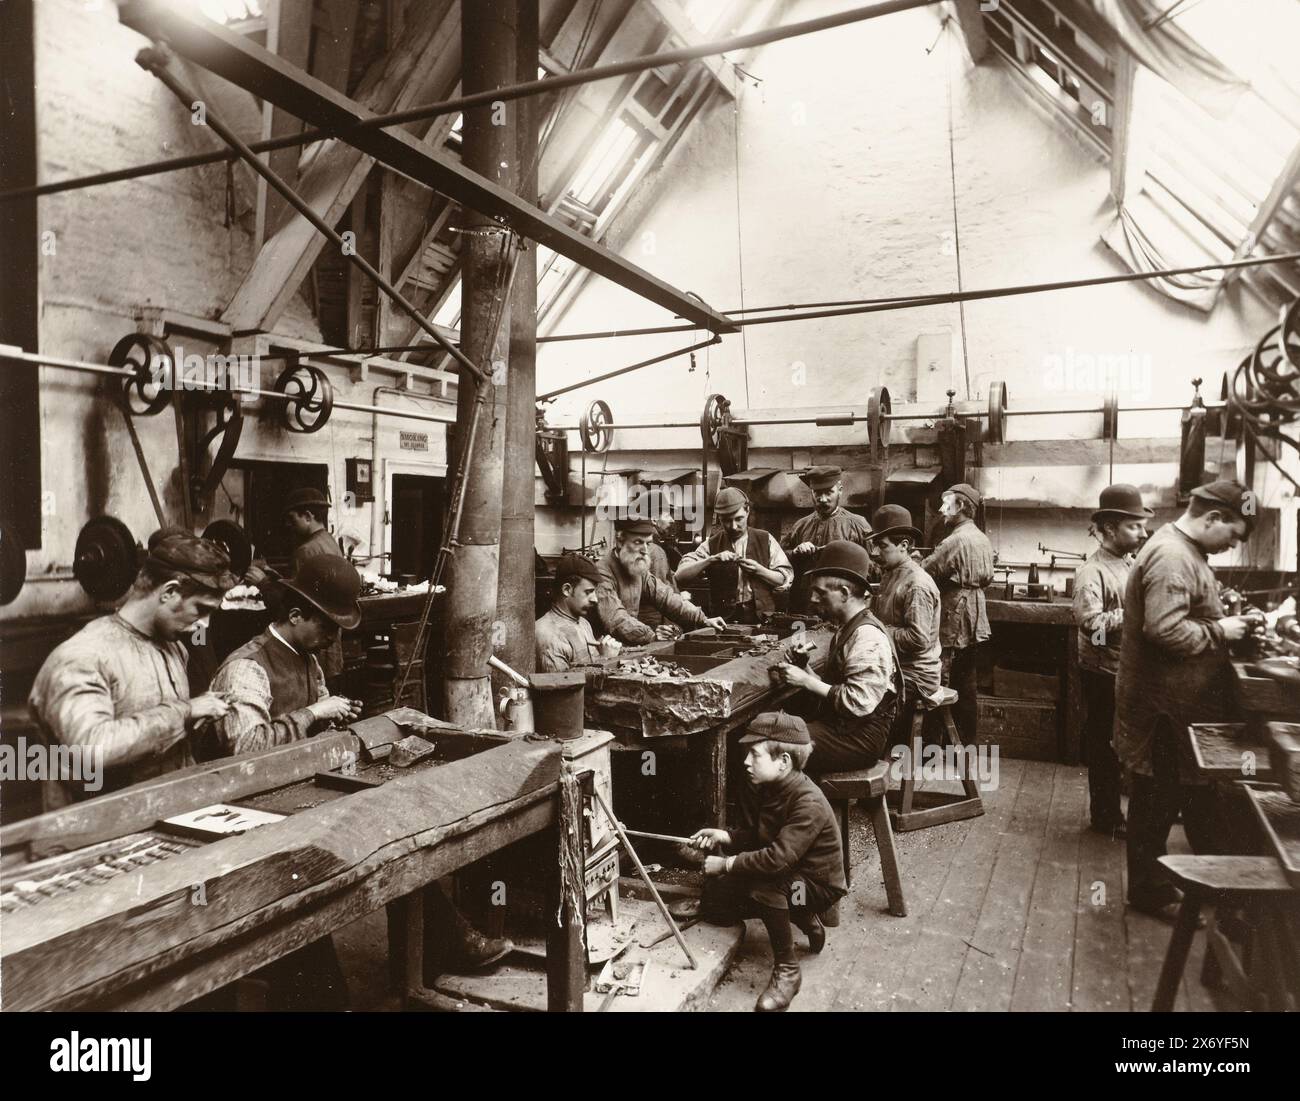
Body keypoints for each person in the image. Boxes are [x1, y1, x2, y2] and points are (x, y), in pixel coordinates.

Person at [1115, 480, 1259, 922]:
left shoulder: (1186, 551)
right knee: (1156, 803)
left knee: (1179, 799)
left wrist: (1224, 618)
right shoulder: (1174, 556)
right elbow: (1164, 630)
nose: (1230, 545)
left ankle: (1201, 884)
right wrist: (1223, 631)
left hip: (1177, 707)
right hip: (1164, 709)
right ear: (1212, 518)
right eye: (1231, 535)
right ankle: (1150, 892)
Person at [28, 535, 236, 811]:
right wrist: (184, 711)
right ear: (169, 591)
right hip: (98, 836)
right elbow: (91, 749)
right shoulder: (82, 657)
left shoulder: (174, 649)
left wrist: (202, 718)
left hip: (166, 816)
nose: (203, 622)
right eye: (201, 608)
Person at [687, 711, 846, 1012]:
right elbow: (760, 836)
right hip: (790, 871)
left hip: (815, 885)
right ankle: (800, 917)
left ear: (783, 762)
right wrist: (725, 836)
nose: (746, 761)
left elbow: (775, 859)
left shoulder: (808, 801)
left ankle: (788, 968)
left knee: (764, 887)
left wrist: (727, 864)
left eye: (755, 754)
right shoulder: (772, 786)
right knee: (715, 905)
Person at [208, 555, 364, 756]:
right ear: (295, 616)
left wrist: (334, 714)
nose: (332, 639)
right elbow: (246, 747)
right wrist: (314, 713)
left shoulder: (308, 658)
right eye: (326, 628)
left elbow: (313, 725)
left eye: (337, 631)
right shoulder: (246, 668)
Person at [771, 541, 903, 772]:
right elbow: (836, 688)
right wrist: (806, 668)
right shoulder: (847, 627)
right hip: (846, 726)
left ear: (844, 593)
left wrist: (805, 681)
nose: (812, 599)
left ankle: (796, 806)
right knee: (768, 729)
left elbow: (857, 702)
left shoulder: (867, 636)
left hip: (859, 739)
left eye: (820, 592)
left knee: (768, 746)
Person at [1073, 484, 1152, 839]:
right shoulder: (1092, 573)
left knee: (1125, 744)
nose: (1143, 532)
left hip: (1126, 669)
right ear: (1108, 529)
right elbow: (1092, 628)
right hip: (1103, 672)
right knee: (1105, 746)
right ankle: (1104, 817)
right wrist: (1133, 613)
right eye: (1134, 526)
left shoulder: (1130, 563)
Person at [921, 482, 994, 747]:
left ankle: (931, 746)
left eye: (946, 504)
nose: (942, 510)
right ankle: (965, 745)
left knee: (939, 679)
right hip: (975, 614)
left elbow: (924, 571)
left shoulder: (955, 540)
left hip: (954, 615)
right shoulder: (981, 538)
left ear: (961, 506)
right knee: (967, 682)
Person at [868, 504, 941, 734]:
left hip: (916, 675)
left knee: (862, 698)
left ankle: (874, 756)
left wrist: (876, 633)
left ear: (904, 546)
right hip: (898, 666)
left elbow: (918, 639)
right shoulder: (891, 573)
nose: (875, 553)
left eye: (882, 546)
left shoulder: (916, 583)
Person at [594, 518, 726, 644]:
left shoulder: (635, 568)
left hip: (628, 645)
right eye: (638, 542)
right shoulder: (602, 573)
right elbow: (616, 618)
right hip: (605, 649)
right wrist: (650, 635)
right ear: (620, 541)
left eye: (648, 543)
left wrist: (702, 619)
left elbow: (666, 598)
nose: (645, 550)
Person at [674, 487, 793, 624]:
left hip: (763, 619)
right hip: (724, 621)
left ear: (747, 511)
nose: (734, 526)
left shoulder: (766, 539)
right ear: (719, 518)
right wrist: (711, 559)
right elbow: (680, 576)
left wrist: (759, 570)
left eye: (739, 519)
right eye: (726, 520)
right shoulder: (710, 545)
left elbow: (783, 579)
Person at [782, 466, 873, 610]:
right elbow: (779, 562)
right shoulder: (800, 525)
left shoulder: (858, 525)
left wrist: (848, 561)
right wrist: (796, 552)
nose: (823, 499)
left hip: (842, 606)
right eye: (817, 493)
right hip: (805, 606)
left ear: (840, 490)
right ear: (811, 493)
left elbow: (875, 567)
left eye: (829, 492)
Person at [536, 554, 622, 672]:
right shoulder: (549, 636)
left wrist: (604, 653)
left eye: (594, 592)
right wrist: (607, 660)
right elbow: (562, 688)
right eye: (588, 592)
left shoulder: (583, 623)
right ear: (567, 590)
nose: (595, 599)